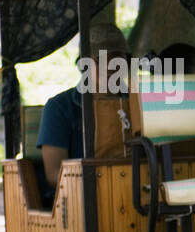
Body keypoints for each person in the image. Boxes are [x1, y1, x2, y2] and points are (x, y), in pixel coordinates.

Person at [38, 23, 130, 201]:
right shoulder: (58, 108)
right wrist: (105, 187)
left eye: (116, 59)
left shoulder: (138, 103)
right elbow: (53, 174)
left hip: (132, 194)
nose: (110, 67)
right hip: (79, 199)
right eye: (100, 60)